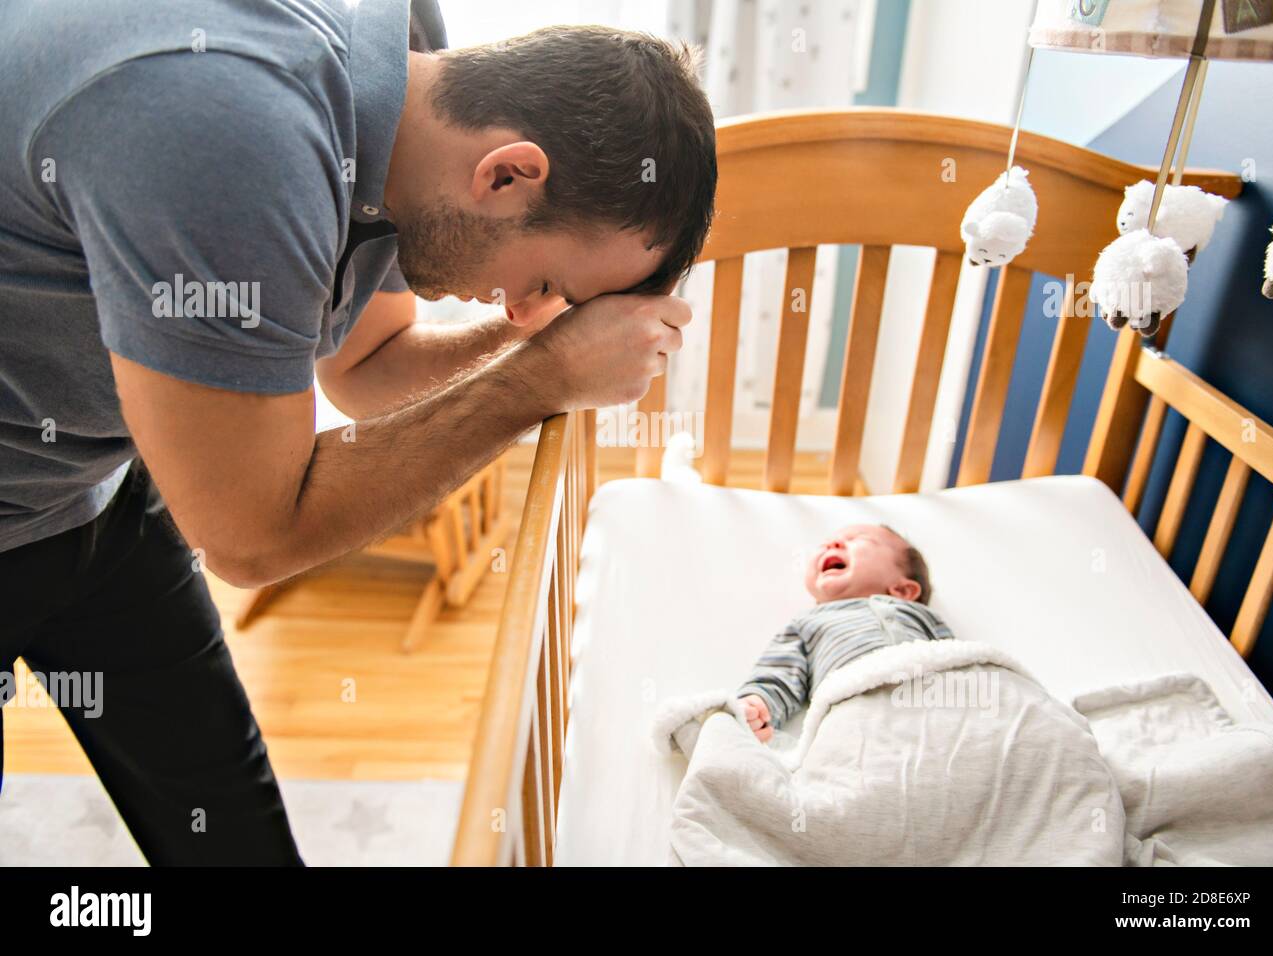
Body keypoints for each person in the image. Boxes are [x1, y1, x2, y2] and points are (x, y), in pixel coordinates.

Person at [0, 0, 717, 864]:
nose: (527, 310)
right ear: (507, 176)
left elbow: (371, 364)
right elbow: (251, 534)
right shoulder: (237, 135)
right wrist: (546, 375)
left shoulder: (408, 89)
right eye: (547, 280)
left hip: (92, 483)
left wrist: (537, 345)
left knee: (227, 819)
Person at [738, 525, 953, 742]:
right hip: (853, 714)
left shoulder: (922, 616)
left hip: (931, 705)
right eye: (826, 542)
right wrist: (758, 704)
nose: (833, 543)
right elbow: (779, 675)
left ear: (902, 590)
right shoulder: (808, 623)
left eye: (859, 539)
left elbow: (959, 660)